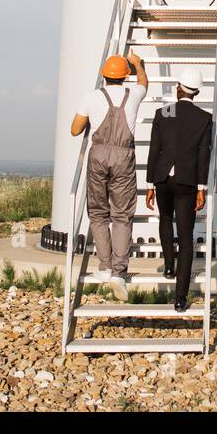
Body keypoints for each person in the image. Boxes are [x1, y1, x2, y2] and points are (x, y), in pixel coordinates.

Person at [71, 51, 147, 300]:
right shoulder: (133, 94)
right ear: (125, 77)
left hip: (98, 156)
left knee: (98, 212)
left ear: (103, 76)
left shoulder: (92, 97)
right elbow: (143, 82)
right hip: (124, 156)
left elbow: (75, 130)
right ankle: (119, 272)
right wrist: (137, 64)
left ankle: (104, 266)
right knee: (123, 216)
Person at [144, 67, 213, 311]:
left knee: (164, 217)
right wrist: (202, 188)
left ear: (178, 88)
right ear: (196, 92)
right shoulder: (204, 118)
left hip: (163, 178)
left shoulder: (163, 113)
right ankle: (180, 298)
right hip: (187, 181)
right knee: (186, 236)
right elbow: (204, 155)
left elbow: (154, 150)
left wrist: (150, 183)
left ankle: (169, 265)